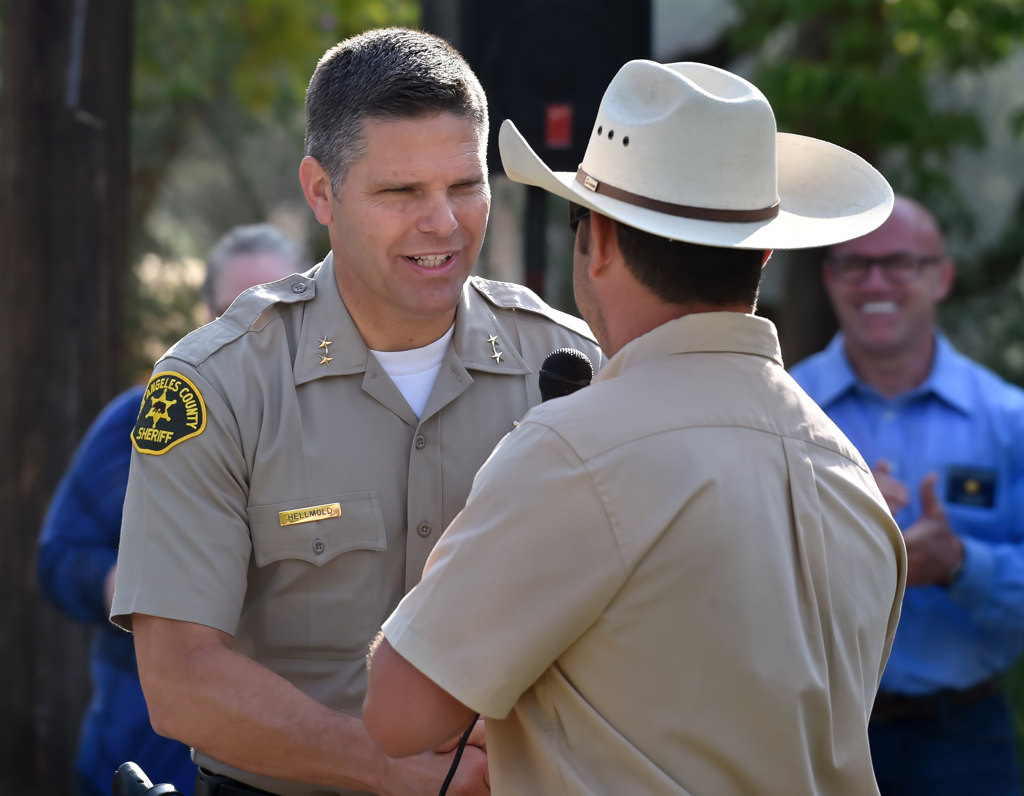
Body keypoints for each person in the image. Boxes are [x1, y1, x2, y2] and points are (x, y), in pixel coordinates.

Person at [362, 59, 908, 795]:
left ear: (604, 240)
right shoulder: (848, 474)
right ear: (765, 249)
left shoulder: (574, 451)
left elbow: (399, 716)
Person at [110, 27, 603, 796]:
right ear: (320, 191)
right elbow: (179, 679)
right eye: (401, 193)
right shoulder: (220, 385)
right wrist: (390, 770)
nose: (443, 223)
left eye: (465, 186)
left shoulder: (570, 369)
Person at [37, 222, 304, 796]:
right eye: (235, 309)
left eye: (279, 306)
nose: (256, 329)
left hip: (292, 761)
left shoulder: (342, 428)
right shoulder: (146, 419)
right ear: (204, 311)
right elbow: (57, 558)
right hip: (142, 754)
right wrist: (127, 588)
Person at [789, 194, 1024, 795]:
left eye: (899, 263)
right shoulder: (783, 408)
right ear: (829, 279)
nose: (875, 282)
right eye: (854, 265)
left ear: (941, 276)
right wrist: (833, 540)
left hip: (963, 742)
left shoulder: (1008, 422)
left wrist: (960, 565)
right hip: (808, 733)